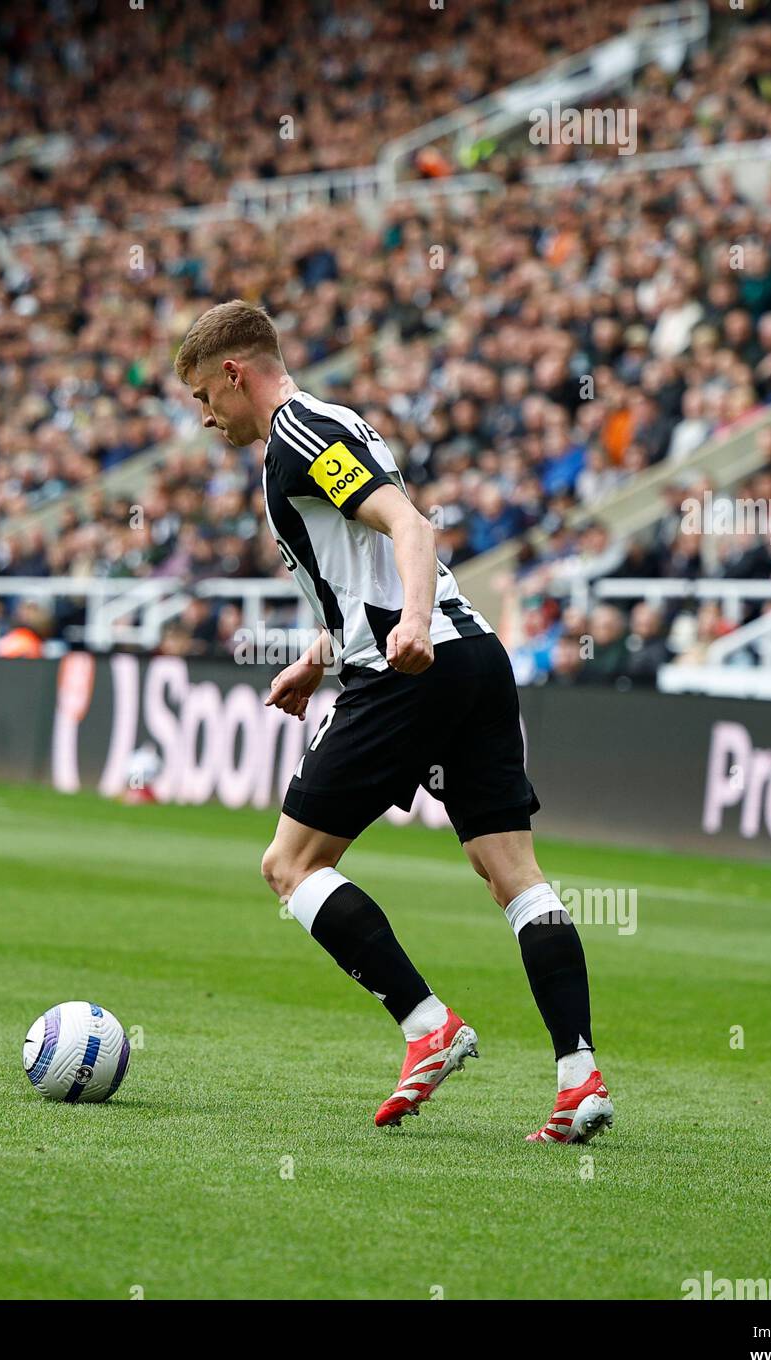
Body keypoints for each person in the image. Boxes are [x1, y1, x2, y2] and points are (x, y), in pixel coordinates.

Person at [174, 301, 612, 1141]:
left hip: (413, 668)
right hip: (474, 655)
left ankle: (426, 1026)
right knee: (509, 872)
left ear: (236, 373)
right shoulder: (335, 420)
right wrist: (319, 654)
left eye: (203, 395)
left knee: (289, 864)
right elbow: (362, 563)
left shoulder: (297, 433)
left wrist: (408, 625)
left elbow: (409, 526)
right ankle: (577, 1077)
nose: (203, 417)